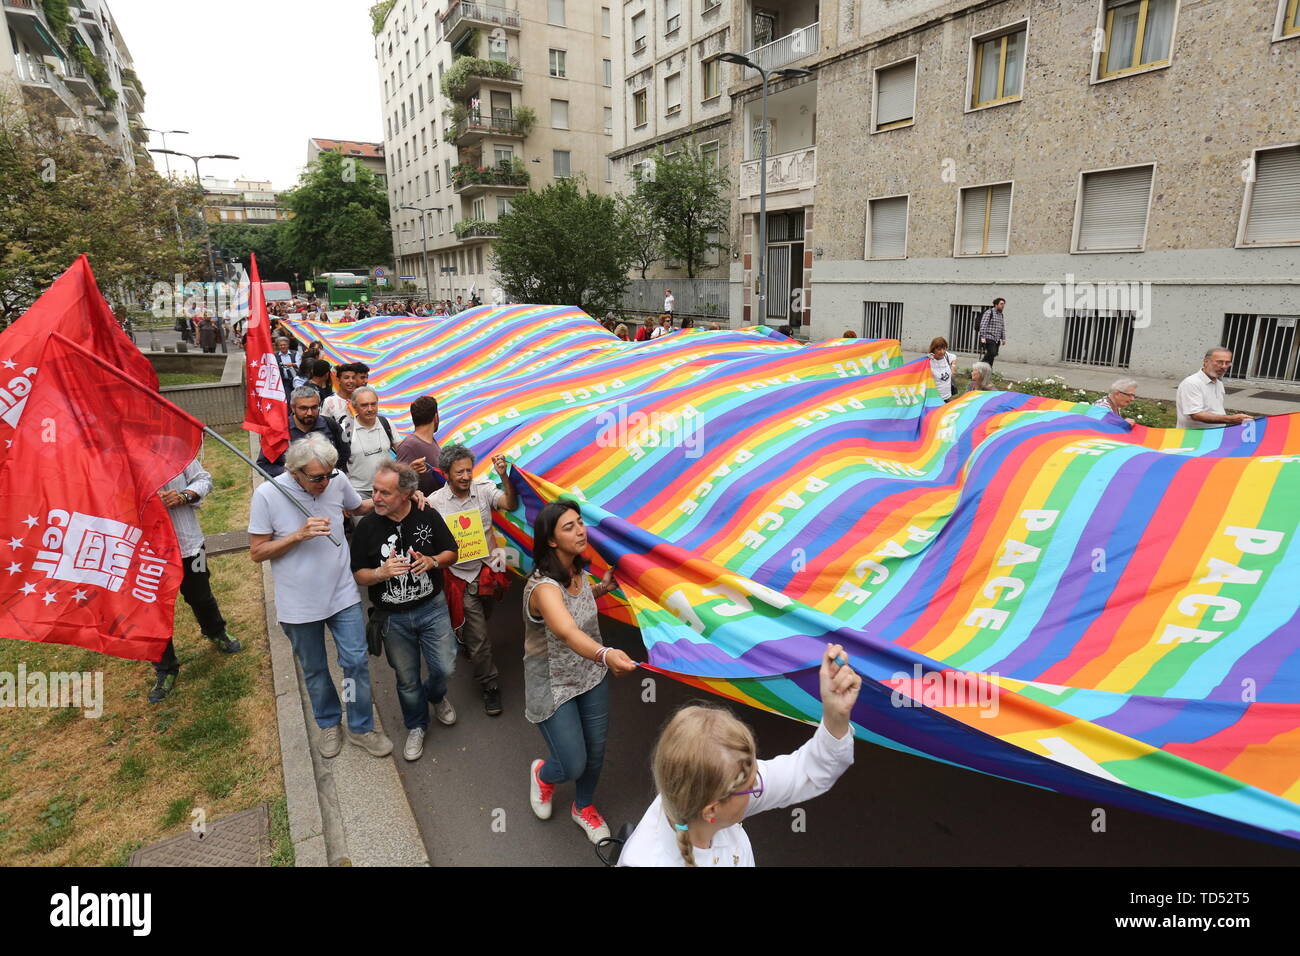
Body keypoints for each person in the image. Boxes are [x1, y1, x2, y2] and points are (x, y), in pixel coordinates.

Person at [619, 644, 861, 866]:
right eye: (752, 786)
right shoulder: (642, 860)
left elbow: (806, 771)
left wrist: (835, 715)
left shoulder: (704, 789)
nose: (759, 786)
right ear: (711, 811)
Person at [249, 434, 393, 758]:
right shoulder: (268, 495)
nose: (326, 483)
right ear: (295, 472)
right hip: (299, 604)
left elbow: (359, 506)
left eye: (329, 474)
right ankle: (329, 722)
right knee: (314, 668)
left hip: (342, 593)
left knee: (355, 661)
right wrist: (297, 536)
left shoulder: (336, 480)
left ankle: (360, 726)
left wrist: (399, 496)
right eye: (317, 478)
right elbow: (257, 552)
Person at [524, 500, 637, 844]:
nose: (580, 530)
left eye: (580, 522)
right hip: (554, 683)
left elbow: (582, 598)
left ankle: (583, 807)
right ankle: (544, 774)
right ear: (551, 541)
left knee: (596, 750)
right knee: (572, 763)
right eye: (569, 527)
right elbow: (567, 631)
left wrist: (604, 587)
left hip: (589, 674)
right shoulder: (543, 588)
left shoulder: (577, 571)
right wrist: (607, 654)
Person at [351, 461, 459, 762]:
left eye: (384, 492)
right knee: (406, 677)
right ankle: (416, 725)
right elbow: (358, 573)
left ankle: (436, 696)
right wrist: (380, 574)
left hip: (432, 610)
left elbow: (452, 551)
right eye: (374, 491)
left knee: (445, 667)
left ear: (407, 494)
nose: (376, 498)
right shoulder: (368, 527)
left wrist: (433, 561)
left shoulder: (427, 514)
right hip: (392, 619)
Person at [430, 444, 518, 716]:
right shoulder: (434, 503)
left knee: (485, 617)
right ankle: (490, 685)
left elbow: (510, 504)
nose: (466, 476)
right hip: (460, 577)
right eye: (459, 472)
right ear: (446, 473)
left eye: (469, 470)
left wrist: (504, 477)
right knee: (479, 638)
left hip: (488, 572)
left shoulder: (484, 489)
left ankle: (465, 637)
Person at [149, 456, 242, 703]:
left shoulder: (173, 448)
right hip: (147, 554)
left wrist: (184, 495)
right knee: (153, 610)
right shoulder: (117, 458)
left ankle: (216, 631)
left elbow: (203, 479)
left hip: (190, 545)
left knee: (201, 595)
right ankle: (164, 667)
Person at [255, 387, 350, 478]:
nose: (309, 413)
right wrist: (287, 473)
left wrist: (326, 471)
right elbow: (263, 465)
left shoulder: (330, 425)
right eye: (303, 408)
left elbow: (345, 453)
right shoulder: (278, 431)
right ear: (293, 408)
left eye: (314, 407)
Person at [1176, 347, 1253, 429]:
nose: (1224, 366)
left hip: (1214, 434)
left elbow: (1214, 409)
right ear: (1206, 361)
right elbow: (1196, 415)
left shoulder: (1218, 382)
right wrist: (1231, 419)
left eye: (1227, 363)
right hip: (1194, 437)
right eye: (1219, 362)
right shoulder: (1192, 383)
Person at [345, 387, 398, 499]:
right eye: (364, 405)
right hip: (358, 493)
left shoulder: (386, 423)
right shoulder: (345, 429)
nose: (370, 409)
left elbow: (402, 451)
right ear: (355, 407)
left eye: (373, 404)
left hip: (387, 488)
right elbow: (337, 463)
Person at [395, 395, 444, 494]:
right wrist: (410, 471)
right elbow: (398, 484)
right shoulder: (409, 445)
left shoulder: (431, 441)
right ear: (435, 417)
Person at [322, 363, 361, 441]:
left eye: (353, 378)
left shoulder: (361, 399)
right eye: (346, 378)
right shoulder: (329, 402)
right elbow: (324, 428)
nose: (351, 381)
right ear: (338, 380)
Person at [978, 297, 1006, 367]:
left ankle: (988, 370)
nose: (1003, 305)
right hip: (988, 337)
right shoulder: (989, 312)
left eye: (1004, 304)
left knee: (993, 355)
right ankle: (979, 368)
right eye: (1001, 304)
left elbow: (1002, 327)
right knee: (992, 352)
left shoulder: (1001, 315)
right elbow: (983, 325)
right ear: (996, 305)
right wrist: (983, 337)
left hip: (996, 339)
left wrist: (1003, 338)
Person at [928, 336, 956, 402]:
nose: (942, 352)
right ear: (933, 349)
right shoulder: (929, 360)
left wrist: (953, 366)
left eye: (944, 349)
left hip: (947, 396)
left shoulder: (946, 356)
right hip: (935, 398)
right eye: (939, 349)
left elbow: (954, 357)